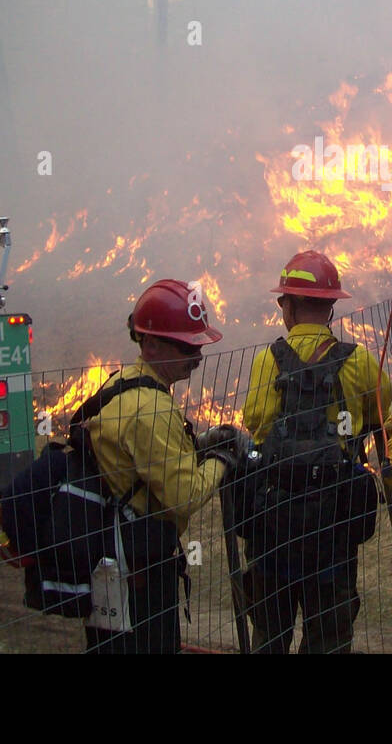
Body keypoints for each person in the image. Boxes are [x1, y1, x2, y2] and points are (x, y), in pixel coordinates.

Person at [239, 251, 392, 654]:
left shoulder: (265, 362)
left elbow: (256, 422)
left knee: (270, 632)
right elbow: (383, 410)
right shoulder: (358, 360)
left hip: (273, 526)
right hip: (333, 525)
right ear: (330, 307)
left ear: (287, 306)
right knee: (329, 635)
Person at [80, 277, 242, 654]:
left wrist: (200, 446)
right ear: (150, 344)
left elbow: (145, 460)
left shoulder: (125, 384)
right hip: (138, 571)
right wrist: (222, 459)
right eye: (187, 346)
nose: (197, 356)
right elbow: (183, 497)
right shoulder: (152, 407)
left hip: (114, 562)